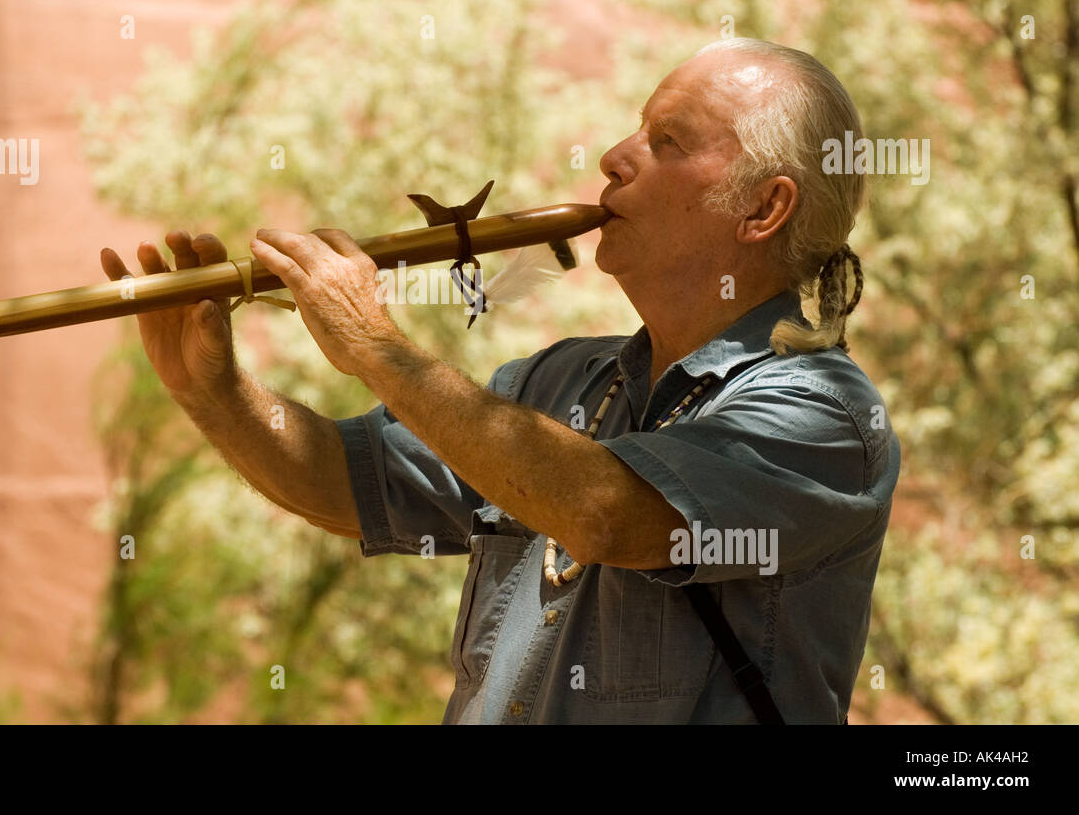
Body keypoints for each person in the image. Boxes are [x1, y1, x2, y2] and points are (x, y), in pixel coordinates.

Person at [99, 37, 900, 724]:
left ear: (765, 207)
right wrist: (214, 390)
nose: (614, 158)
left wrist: (375, 344)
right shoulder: (564, 380)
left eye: (666, 142)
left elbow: (602, 513)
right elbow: (351, 484)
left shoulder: (821, 416)